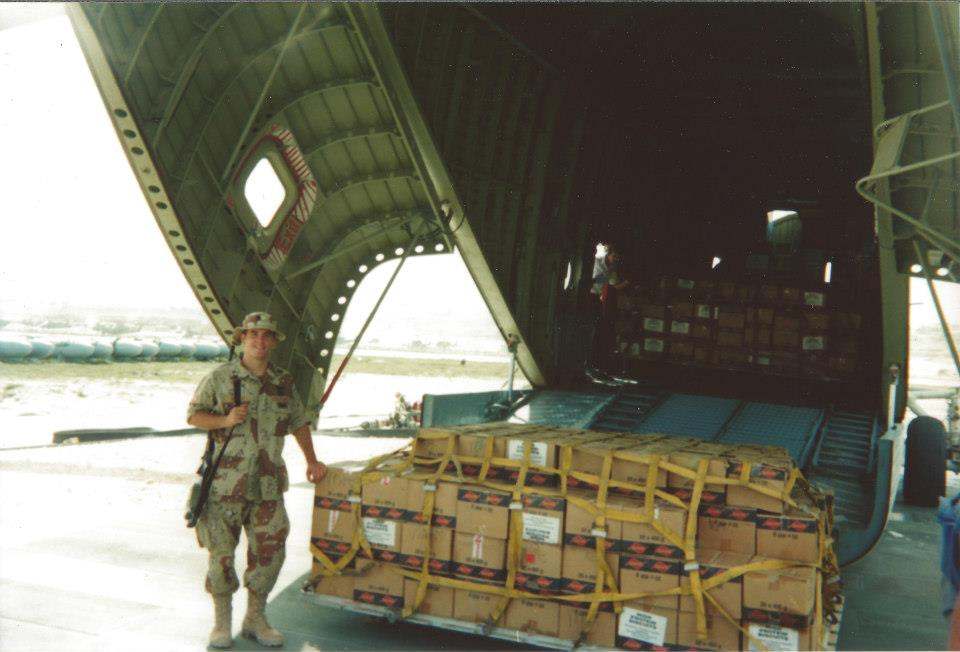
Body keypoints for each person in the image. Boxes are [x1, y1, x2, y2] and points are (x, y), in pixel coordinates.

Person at [186, 312, 327, 649]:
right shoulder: (221, 378)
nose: (259, 341)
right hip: (224, 486)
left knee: (271, 552)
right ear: (242, 339)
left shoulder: (283, 381)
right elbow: (193, 415)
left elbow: (297, 420)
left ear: (274, 341)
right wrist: (225, 418)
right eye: (253, 335)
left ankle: (255, 619)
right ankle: (222, 623)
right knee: (221, 555)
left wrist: (311, 459)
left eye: (266, 335)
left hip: (267, 486)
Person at [589, 242, 629, 368]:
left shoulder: (612, 268)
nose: (615, 260)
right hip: (591, 295)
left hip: (601, 299)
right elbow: (596, 280)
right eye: (614, 256)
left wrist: (623, 284)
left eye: (617, 258)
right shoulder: (597, 262)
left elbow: (612, 285)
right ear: (608, 254)